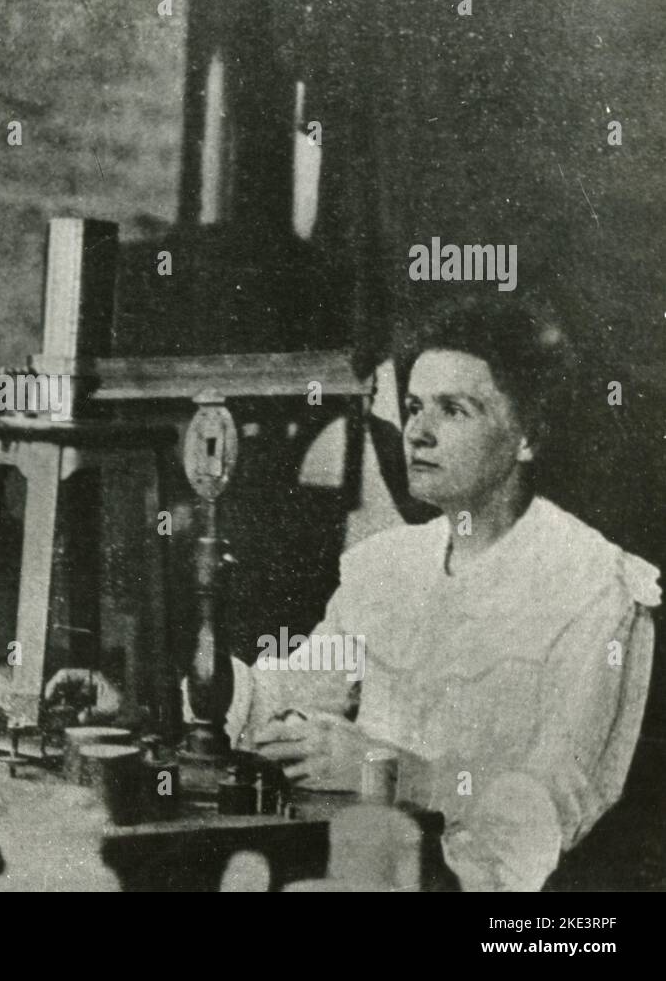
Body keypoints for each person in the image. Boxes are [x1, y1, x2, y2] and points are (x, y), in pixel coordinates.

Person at [238, 296, 659, 890]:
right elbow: (294, 685)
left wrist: (383, 770)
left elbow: (544, 811)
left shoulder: (594, 587)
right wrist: (183, 688)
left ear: (528, 437)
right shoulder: (389, 564)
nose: (418, 432)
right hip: (355, 864)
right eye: (413, 407)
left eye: (454, 410)